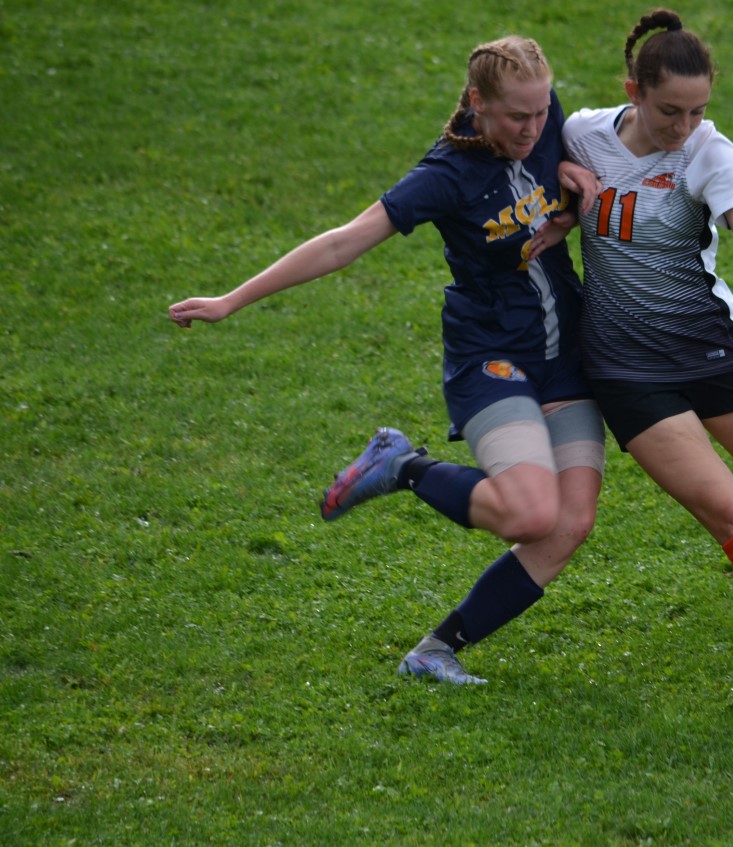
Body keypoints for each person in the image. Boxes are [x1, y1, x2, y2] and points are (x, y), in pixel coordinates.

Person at [168, 36, 605, 685]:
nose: (534, 128)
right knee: (531, 514)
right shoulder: (445, 176)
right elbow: (344, 242)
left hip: (565, 352)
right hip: (492, 357)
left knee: (570, 523)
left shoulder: (540, 120)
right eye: (519, 116)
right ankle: (402, 464)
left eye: (542, 113)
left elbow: (564, 162)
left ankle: (436, 648)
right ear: (478, 104)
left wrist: (573, 182)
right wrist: (233, 300)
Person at [549, 9, 733, 639]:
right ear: (634, 92)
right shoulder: (581, 134)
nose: (684, 128)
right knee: (730, 516)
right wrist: (562, 181)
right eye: (669, 112)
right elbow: (517, 159)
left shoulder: (711, 154)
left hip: (714, 354)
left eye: (698, 111)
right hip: (625, 370)